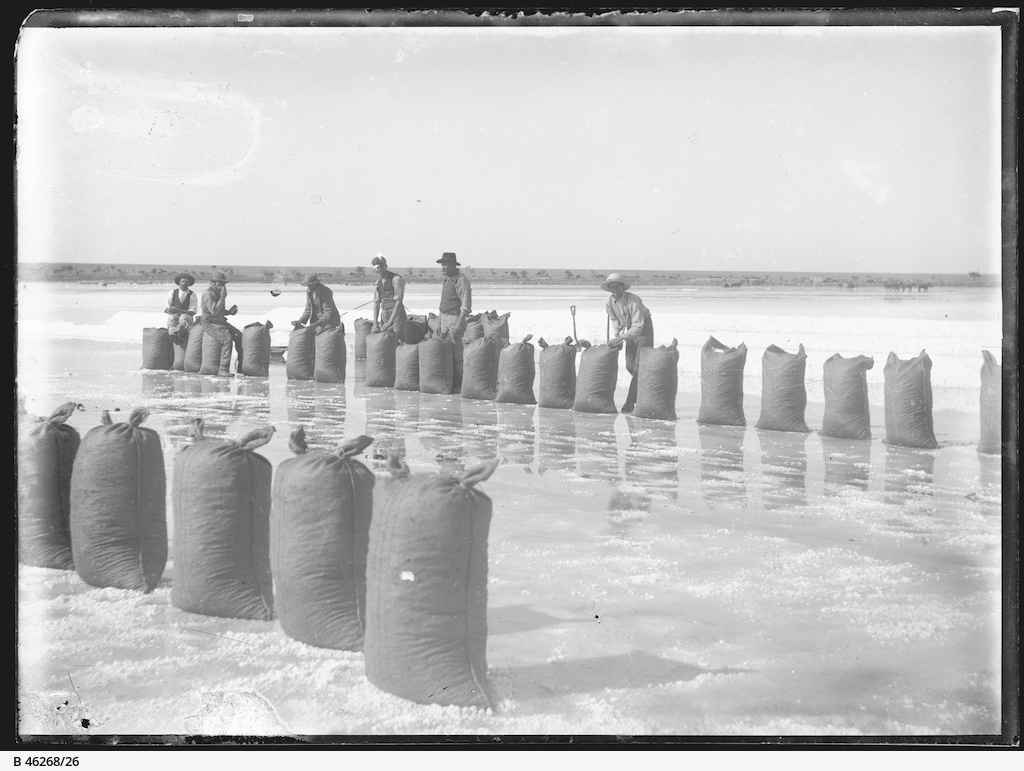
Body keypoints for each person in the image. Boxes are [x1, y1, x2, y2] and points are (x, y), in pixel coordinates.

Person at [602, 272, 653, 413]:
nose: (614, 289)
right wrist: (617, 336)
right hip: (629, 329)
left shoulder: (633, 300)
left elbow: (638, 326)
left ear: (622, 287)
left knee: (638, 368)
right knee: (630, 366)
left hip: (643, 328)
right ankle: (646, 390)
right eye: (611, 287)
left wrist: (621, 338)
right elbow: (615, 321)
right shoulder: (609, 302)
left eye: (617, 286)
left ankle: (630, 402)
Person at [437, 251, 472, 389]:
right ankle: (449, 383)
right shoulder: (446, 281)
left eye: (445, 265)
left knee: (457, 354)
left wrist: (459, 323)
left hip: (455, 318)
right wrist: (439, 322)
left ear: (453, 265)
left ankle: (460, 383)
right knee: (446, 352)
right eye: (442, 265)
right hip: (444, 319)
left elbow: (466, 305)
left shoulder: (461, 280)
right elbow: (442, 303)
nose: (443, 268)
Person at [200, 272, 243, 377]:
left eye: (223, 284)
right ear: (212, 283)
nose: (222, 286)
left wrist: (229, 312)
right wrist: (222, 298)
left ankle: (241, 366)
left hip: (220, 321)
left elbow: (220, 311)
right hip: (209, 322)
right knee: (226, 340)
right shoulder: (208, 294)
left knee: (239, 336)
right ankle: (223, 369)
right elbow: (214, 311)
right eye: (220, 284)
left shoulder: (218, 293)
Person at [371, 255, 407, 341]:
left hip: (396, 315)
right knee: (385, 341)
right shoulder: (378, 282)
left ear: (385, 266)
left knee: (398, 340)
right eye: (376, 268)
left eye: (380, 267)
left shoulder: (396, 279)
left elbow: (398, 303)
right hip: (384, 313)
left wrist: (390, 322)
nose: (378, 270)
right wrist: (375, 323)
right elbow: (376, 303)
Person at [165, 272, 198, 345]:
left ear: (189, 283)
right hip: (175, 316)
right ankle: (173, 334)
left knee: (183, 318)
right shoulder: (172, 292)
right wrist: (171, 310)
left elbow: (193, 311)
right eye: (182, 281)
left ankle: (181, 332)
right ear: (179, 282)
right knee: (172, 318)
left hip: (187, 317)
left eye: (186, 282)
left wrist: (180, 311)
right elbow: (166, 308)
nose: (184, 283)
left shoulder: (192, 295)